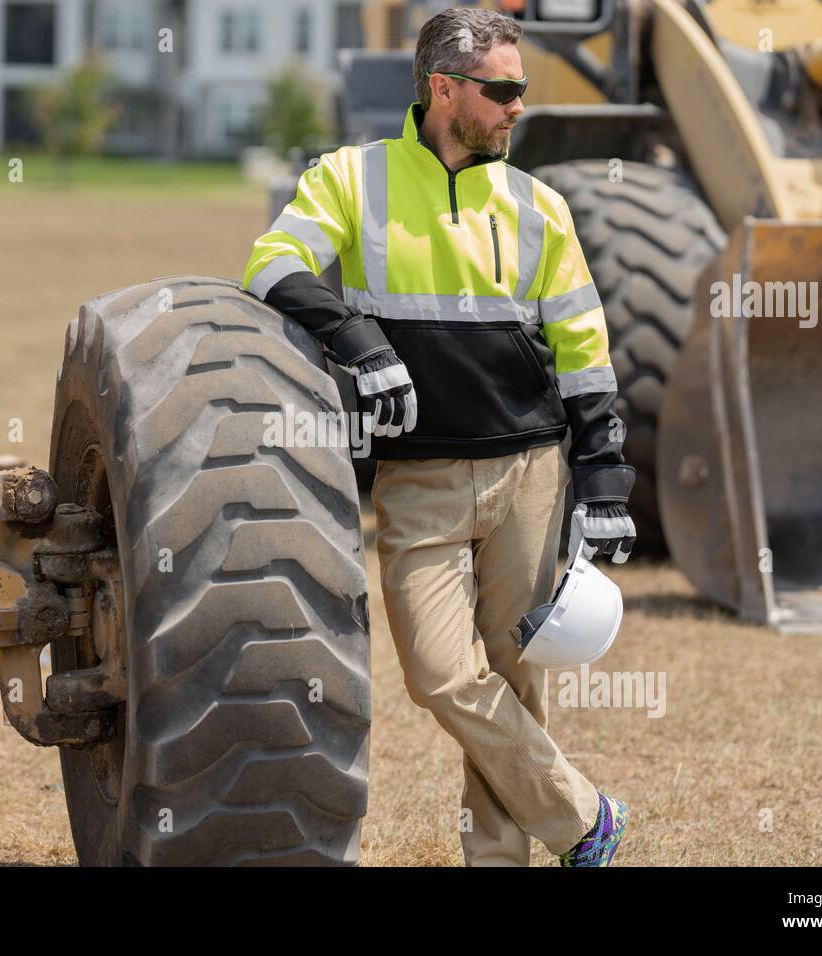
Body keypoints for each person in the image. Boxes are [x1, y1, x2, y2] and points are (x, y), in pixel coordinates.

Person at [242, 5, 635, 867]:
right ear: (443, 88)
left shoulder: (539, 205)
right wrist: (356, 337)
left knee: (517, 676)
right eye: (503, 89)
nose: (519, 105)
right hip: (417, 477)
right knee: (440, 675)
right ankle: (585, 817)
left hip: (530, 473)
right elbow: (271, 265)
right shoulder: (353, 178)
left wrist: (603, 477)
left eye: (522, 89)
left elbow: (584, 351)